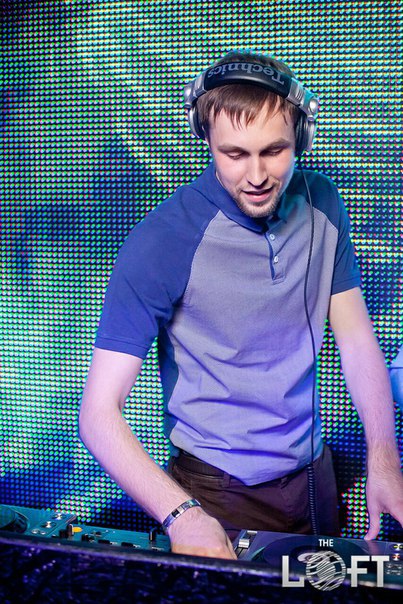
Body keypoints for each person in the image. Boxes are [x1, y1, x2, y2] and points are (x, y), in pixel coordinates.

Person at [79, 51, 403, 559]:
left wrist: (384, 459)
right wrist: (182, 515)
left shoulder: (324, 202)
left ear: (302, 137)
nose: (256, 175)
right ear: (205, 139)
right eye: (234, 154)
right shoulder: (161, 241)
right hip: (215, 493)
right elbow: (99, 413)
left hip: (315, 477)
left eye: (273, 150)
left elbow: (357, 340)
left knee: (331, 588)